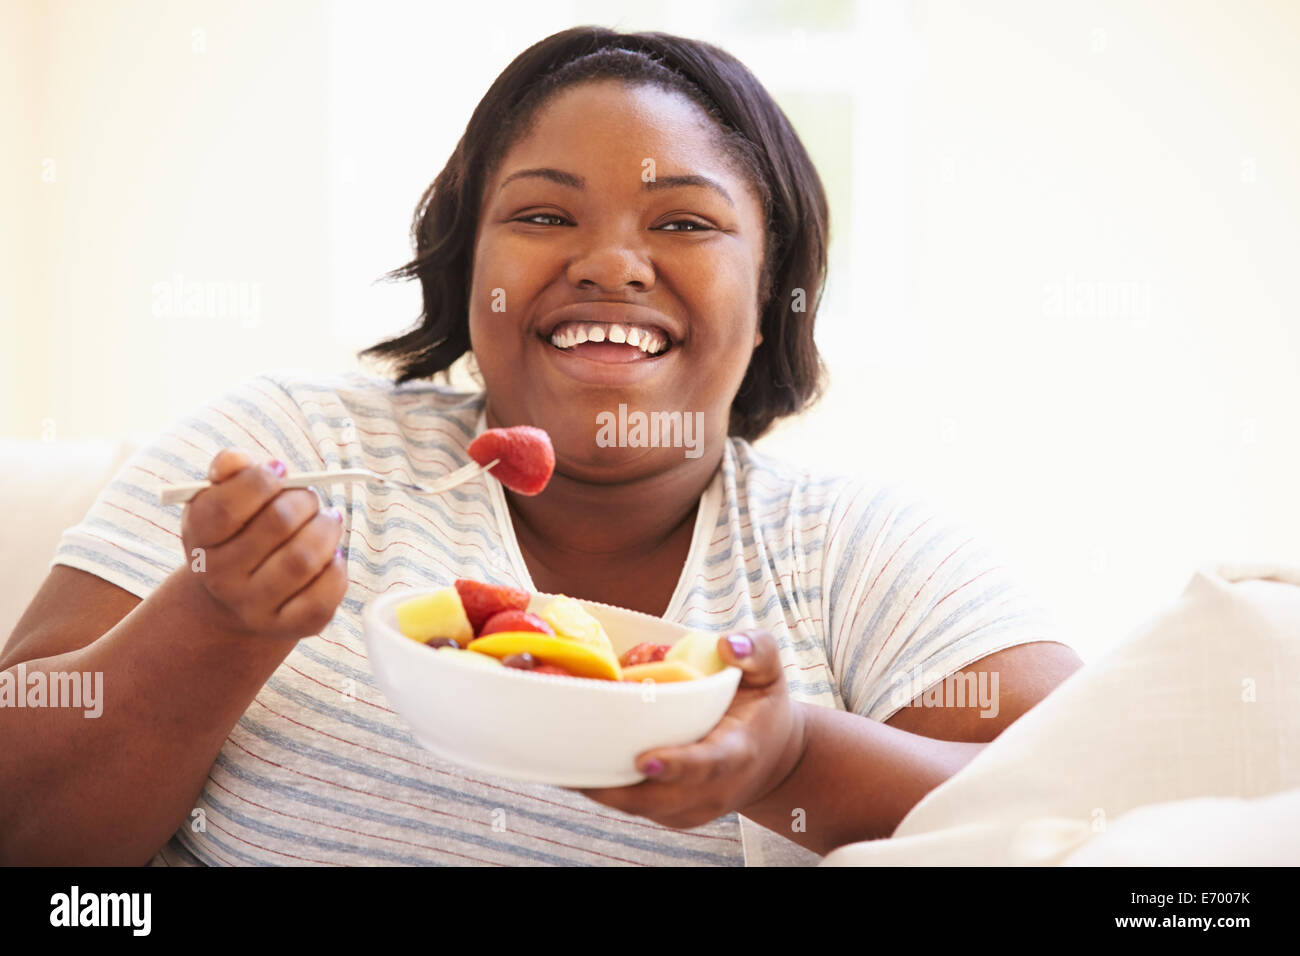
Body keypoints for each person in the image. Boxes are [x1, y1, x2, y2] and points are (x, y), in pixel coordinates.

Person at [0, 26, 1082, 866]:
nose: (612, 263)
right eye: (545, 216)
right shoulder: (289, 445)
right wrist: (212, 623)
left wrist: (794, 758)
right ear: (465, 269)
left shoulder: (848, 551)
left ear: (768, 297)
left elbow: (1088, 806)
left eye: (684, 224)